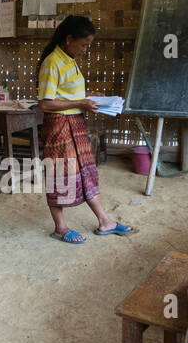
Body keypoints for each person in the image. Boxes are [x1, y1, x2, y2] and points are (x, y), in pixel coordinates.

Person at [35, 15, 134, 243]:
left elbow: (66, 94)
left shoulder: (69, 59)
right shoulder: (53, 63)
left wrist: (88, 98)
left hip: (76, 125)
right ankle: (60, 227)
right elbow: (46, 102)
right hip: (59, 127)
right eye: (84, 44)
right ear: (69, 39)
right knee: (61, 176)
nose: (85, 49)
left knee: (86, 171)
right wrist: (80, 103)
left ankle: (105, 221)